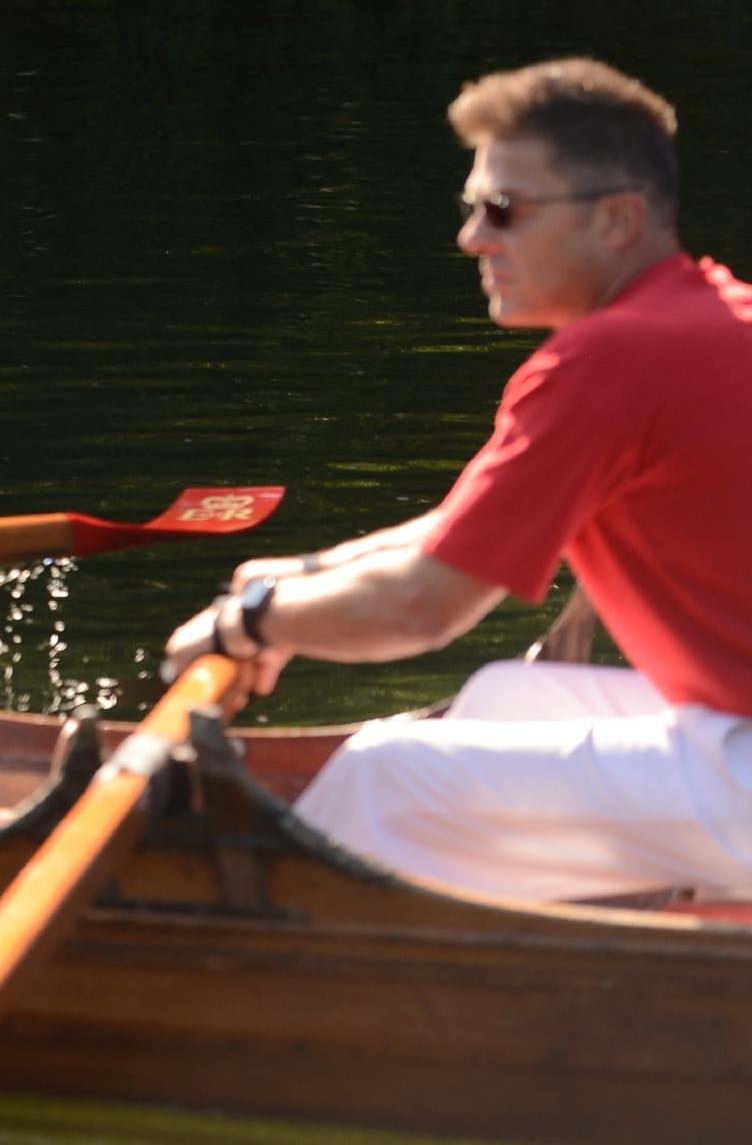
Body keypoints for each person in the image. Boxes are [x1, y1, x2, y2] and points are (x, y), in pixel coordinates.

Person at [163, 58, 752, 903]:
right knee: (507, 699)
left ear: (619, 219)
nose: (473, 237)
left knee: (384, 775)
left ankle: (245, 955)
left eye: (504, 209)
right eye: (471, 207)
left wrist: (249, 622)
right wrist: (297, 578)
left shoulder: (605, 363)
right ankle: (537, 945)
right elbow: (466, 529)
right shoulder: (712, 314)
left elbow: (423, 606)